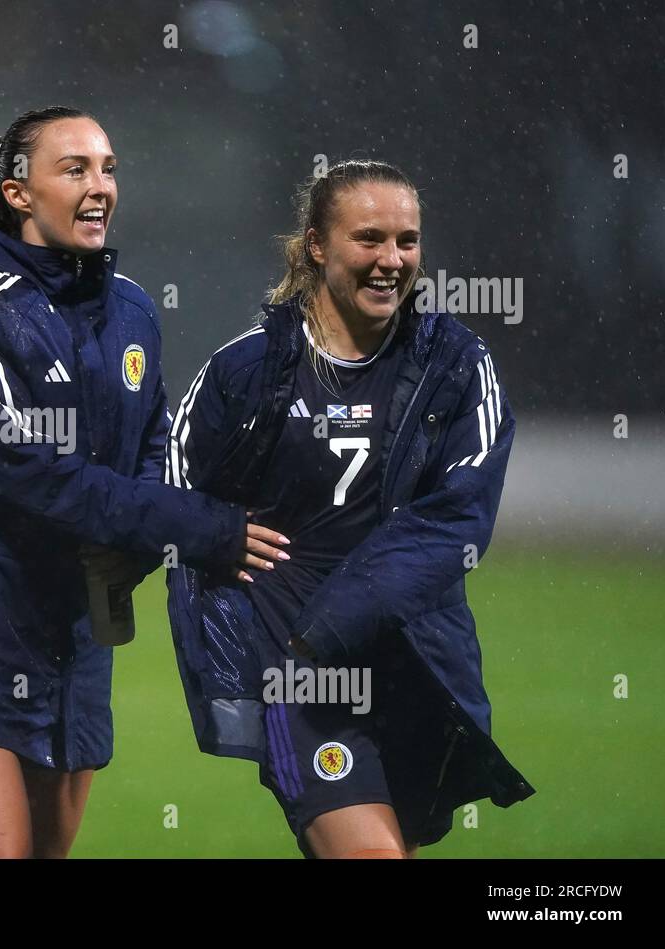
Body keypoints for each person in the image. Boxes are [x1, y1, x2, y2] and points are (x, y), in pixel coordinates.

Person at [0, 107, 262, 858]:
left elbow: (151, 444)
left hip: (78, 631)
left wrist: (138, 553)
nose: (100, 186)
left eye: (109, 168)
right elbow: (27, 472)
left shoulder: (133, 311)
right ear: (18, 193)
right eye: (75, 168)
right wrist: (202, 528)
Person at [164, 159, 534, 858]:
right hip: (299, 669)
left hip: (417, 664)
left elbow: (459, 518)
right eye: (370, 238)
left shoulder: (457, 364)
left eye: (407, 240)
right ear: (316, 246)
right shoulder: (247, 370)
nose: (392, 260)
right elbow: (170, 485)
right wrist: (217, 535)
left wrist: (340, 619)